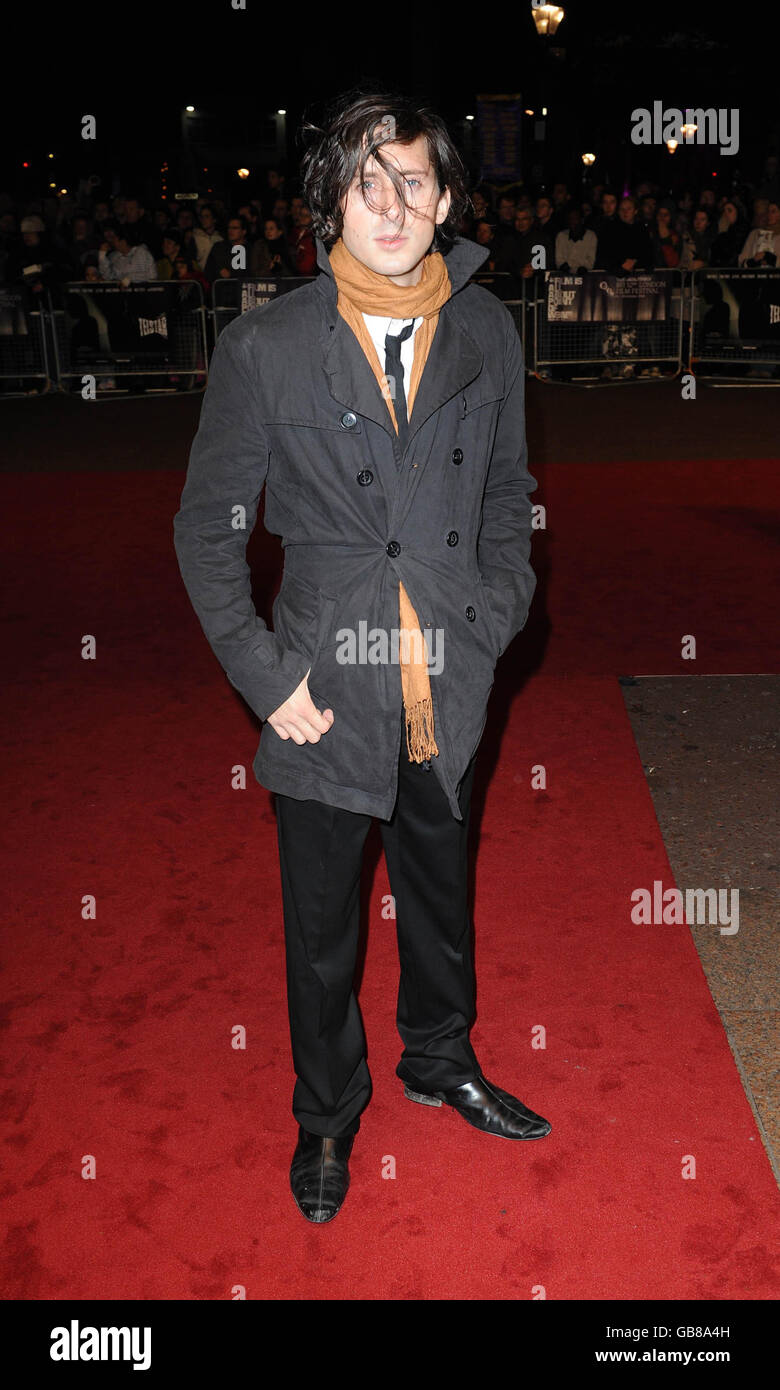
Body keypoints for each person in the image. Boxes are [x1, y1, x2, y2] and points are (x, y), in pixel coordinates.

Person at [173, 87, 551, 1227]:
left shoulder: (487, 329)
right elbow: (207, 529)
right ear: (330, 197)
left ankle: (440, 1058)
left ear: (447, 200)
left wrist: (491, 625)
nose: (391, 204)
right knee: (325, 929)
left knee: (441, 899)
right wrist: (264, 674)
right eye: (366, 180)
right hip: (322, 688)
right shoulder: (267, 345)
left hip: (447, 673)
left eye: (415, 181)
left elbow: (507, 500)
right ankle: (329, 1110)